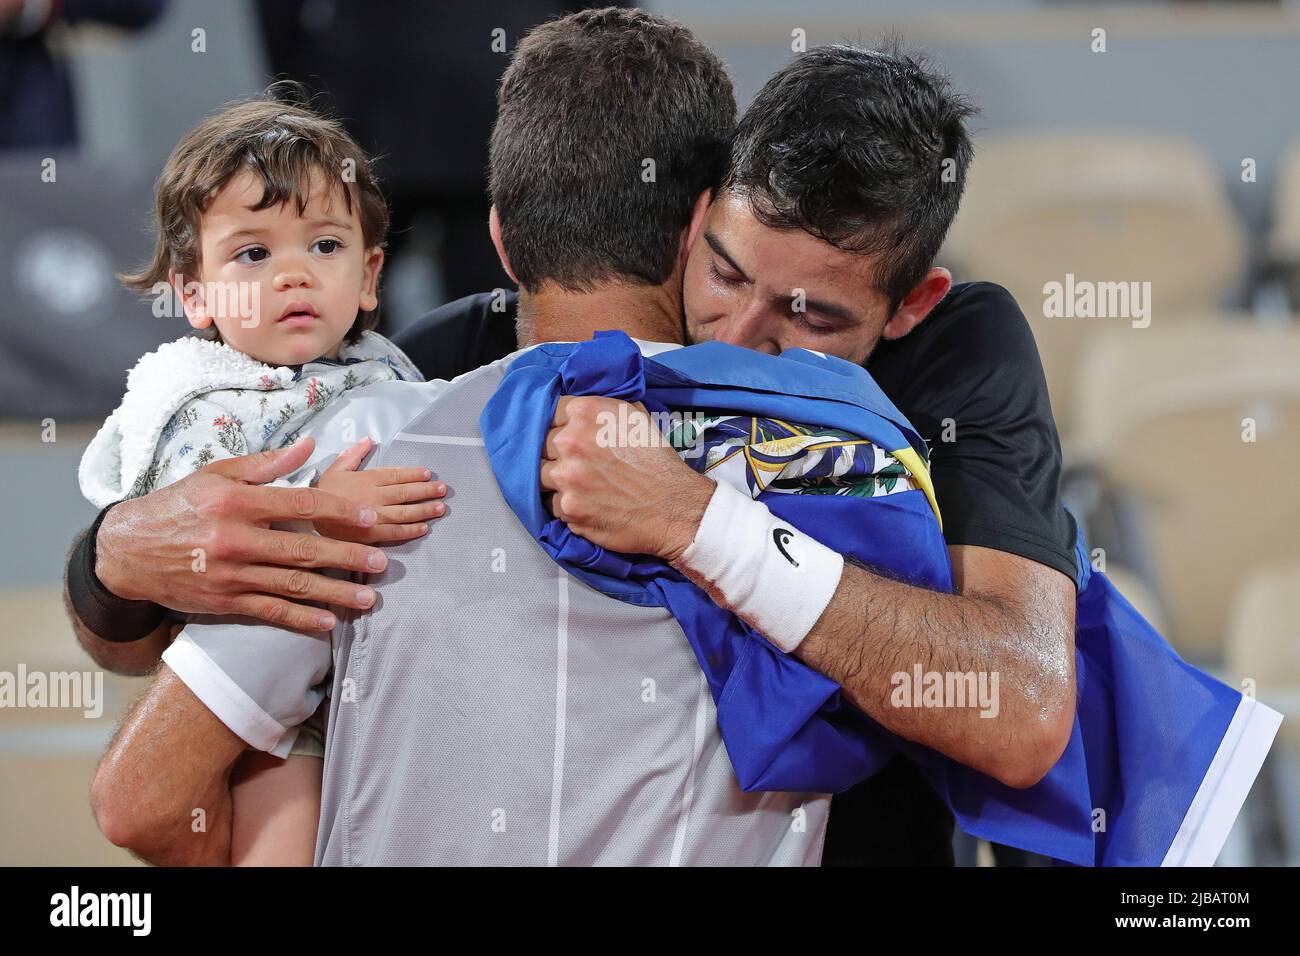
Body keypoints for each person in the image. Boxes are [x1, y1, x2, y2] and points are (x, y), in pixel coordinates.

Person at [69, 16, 1072, 865]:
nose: (749, 337)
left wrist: (698, 522)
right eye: (727, 275)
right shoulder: (399, 394)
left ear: (501, 230)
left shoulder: (943, 367)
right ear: (701, 224)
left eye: (811, 317)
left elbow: (1020, 711)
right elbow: (150, 649)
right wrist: (116, 548)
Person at [76, 89, 446, 863]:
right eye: (254, 253)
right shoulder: (196, 402)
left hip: (391, 690)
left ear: (372, 274)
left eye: (325, 246)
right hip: (266, 720)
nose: (294, 276)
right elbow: (197, 551)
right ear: (193, 292)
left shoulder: (391, 372)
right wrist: (311, 513)